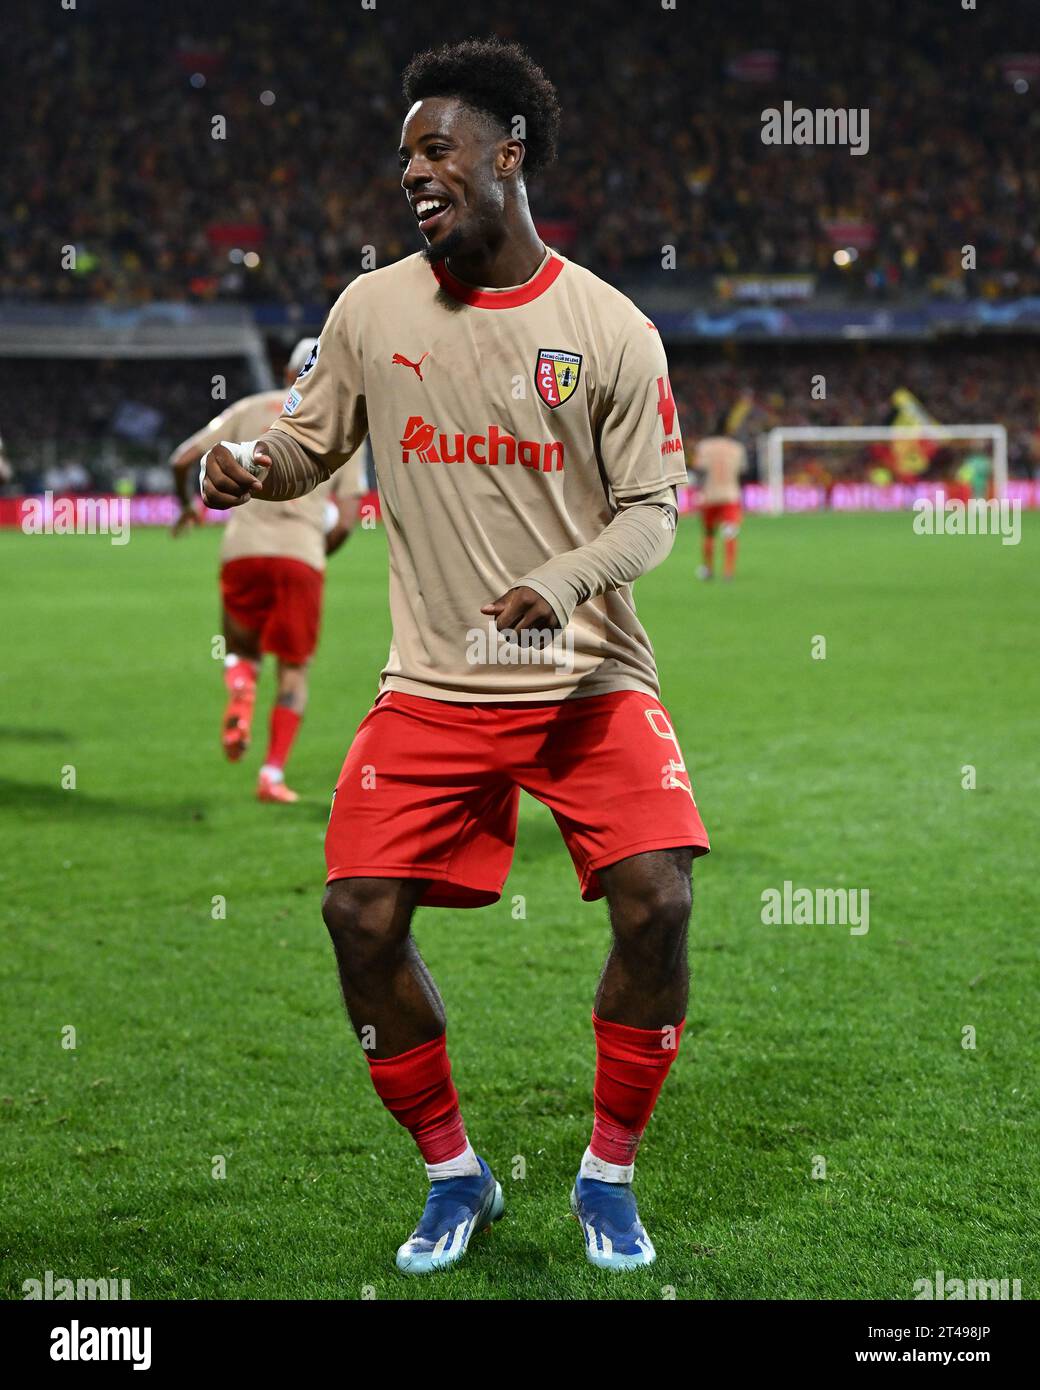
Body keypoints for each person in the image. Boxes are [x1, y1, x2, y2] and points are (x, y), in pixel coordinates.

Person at [201, 38, 709, 1273]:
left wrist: (559, 578)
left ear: (507, 153)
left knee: (658, 899)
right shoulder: (369, 310)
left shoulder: (608, 326)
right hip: (433, 680)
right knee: (356, 915)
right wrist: (245, 467)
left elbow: (652, 507)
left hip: (588, 674)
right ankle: (454, 1174)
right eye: (403, 159)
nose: (413, 173)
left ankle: (606, 1174)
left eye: (435, 150)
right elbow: (306, 448)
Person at [171, 339, 364, 802]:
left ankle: (240, 690)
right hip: (300, 555)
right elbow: (350, 519)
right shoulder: (345, 427)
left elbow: (182, 459)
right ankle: (272, 775)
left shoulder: (249, 408)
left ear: (286, 373)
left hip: (243, 550)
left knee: (241, 650)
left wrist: (190, 507)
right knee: (294, 671)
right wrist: (315, 554)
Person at [694, 424, 747, 581]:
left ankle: (708, 570)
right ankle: (728, 572)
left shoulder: (704, 446)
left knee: (709, 534)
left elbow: (698, 469)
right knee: (730, 533)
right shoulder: (737, 448)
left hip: (710, 496)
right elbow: (742, 471)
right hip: (730, 496)